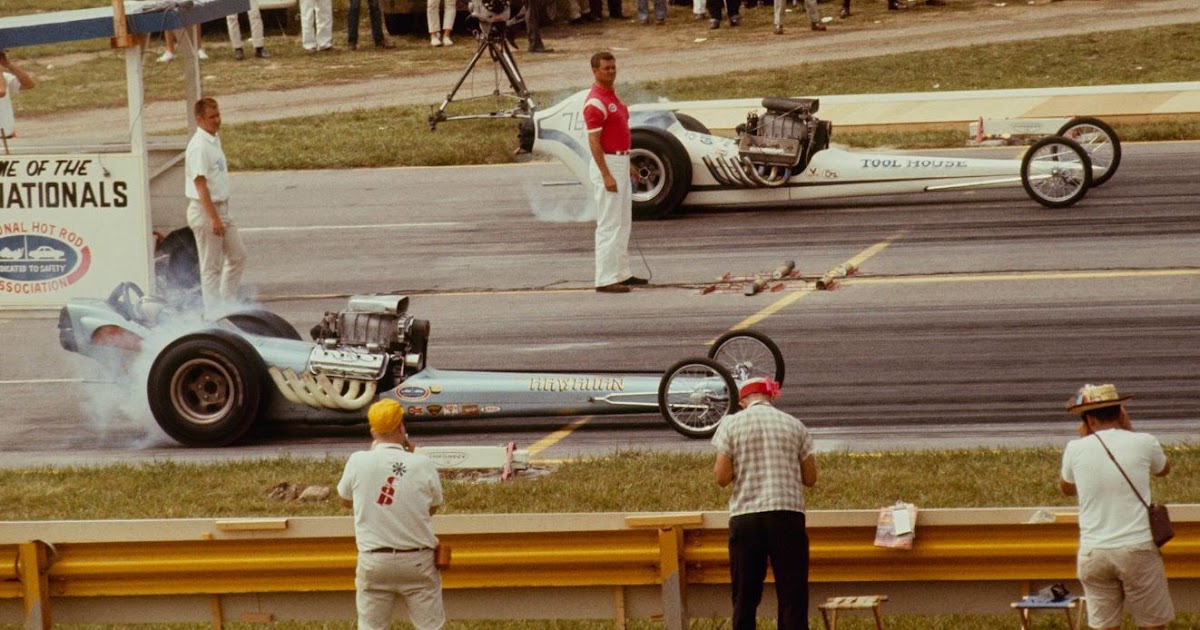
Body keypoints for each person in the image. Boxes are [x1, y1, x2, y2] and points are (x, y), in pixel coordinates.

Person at [1060, 383, 1174, 630]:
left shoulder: (1074, 448)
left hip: (1094, 551)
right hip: (1137, 548)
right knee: (1153, 624)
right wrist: (1129, 429)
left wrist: (1085, 443)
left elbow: (1067, 488)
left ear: (1089, 419)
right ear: (1121, 412)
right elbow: (1163, 469)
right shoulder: (1145, 442)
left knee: (1104, 626)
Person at [713, 377, 817, 630]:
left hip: (747, 517)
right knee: (792, 595)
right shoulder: (794, 425)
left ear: (742, 401)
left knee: (745, 596)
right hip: (787, 515)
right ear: (770, 397)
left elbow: (722, 478)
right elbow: (810, 478)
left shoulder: (731, 425)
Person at [338, 400, 446, 630]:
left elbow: (345, 501)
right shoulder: (422, 463)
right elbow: (432, 507)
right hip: (418, 560)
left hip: (374, 560)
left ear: (373, 432)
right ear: (401, 428)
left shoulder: (357, 461)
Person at [583, 51, 647, 294]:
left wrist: (627, 163)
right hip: (607, 163)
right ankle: (605, 277)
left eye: (613, 67)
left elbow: (618, 134)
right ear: (595, 71)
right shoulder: (595, 102)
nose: (611, 71)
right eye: (606, 68)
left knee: (623, 221)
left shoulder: (611, 96)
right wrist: (606, 174)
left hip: (619, 160)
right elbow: (594, 142)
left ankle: (622, 272)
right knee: (609, 223)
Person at [185, 97, 247, 317]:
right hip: (206, 211)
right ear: (199, 119)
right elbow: (200, 185)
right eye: (212, 117)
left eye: (218, 115)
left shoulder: (213, 139)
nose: (217, 120)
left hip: (222, 208)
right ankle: (213, 315)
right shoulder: (199, 147)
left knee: (238, 255)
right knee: (211, 267)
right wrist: (214, 218)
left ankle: (226, 305)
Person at [0, 51, 36, 139]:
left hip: (8, 136)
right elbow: (1, 92)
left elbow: (28, 84)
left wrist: (8, 64)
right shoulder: (1, 79)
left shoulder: (3, 77)